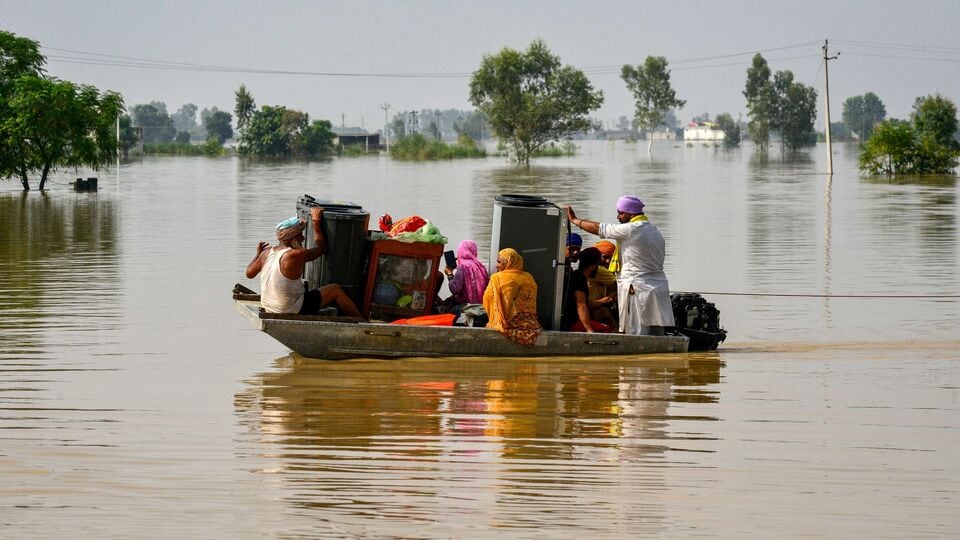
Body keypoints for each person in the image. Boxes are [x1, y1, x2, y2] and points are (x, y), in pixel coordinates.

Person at [565, 195, 675, 335]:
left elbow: (599, 228)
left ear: (631, 213)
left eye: (621, 213)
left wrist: (575, 220)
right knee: (657, 336)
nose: (618, 217)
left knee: (636, 334)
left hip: (637, 289)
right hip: (657, 289)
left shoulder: (632, 229)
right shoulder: (655, 231)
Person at [245, 207, 362, 318]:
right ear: (293, 238)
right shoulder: (294, 255)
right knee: (335, 289)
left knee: (303, 287)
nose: (303, 238)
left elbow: (249, 274)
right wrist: (316, 221)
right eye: (300, 235)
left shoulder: (266, 253)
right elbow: (321, 249)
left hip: (268, 306)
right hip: (289, 309)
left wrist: (258, 254)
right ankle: (361, 322)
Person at [482, 248, 541, 345]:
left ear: (508, 263)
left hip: (508, 326)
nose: (496, 265)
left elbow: (487, 300)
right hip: (531, 326)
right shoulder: (529, 277)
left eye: (499, 262)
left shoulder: (497, 278)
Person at [561, 247, 613, 333]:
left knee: (604, 312)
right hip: (572, 323)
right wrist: (589, 330)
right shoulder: (579, 279)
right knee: (611, 331)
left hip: (574, 319)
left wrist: (603, 301)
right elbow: (580, 304)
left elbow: (586, 303)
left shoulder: (577, 275)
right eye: (597, 265)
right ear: (593, 266)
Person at [443, 239, 489, 305]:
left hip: (466, 305)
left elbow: (455, 289)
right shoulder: (481, 266)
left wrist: (449, 274)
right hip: (481, 304)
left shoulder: (463, 267)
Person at [587, 240, 618, 326]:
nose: (608, 261)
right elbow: (619, 284)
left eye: (611, 258)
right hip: (592, 308)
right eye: (605, 257)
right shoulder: (599, 270)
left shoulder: (590, 267)